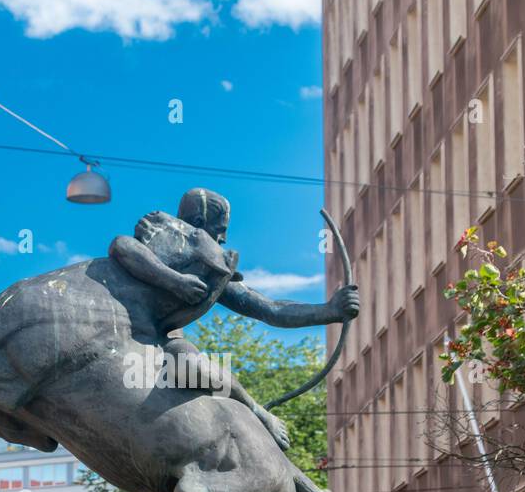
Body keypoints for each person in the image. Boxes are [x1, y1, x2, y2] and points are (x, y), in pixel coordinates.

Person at [109, 188, 360, 448]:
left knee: (187, 359)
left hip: (160, 342)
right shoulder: (161, 234)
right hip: (117, 329)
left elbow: (270, 308)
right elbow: (122, 245)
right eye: (220, 228)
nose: (224, 238)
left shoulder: (210, 267)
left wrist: (329, 310)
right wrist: (175, 281)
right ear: (198, 223)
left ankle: (256, 410)